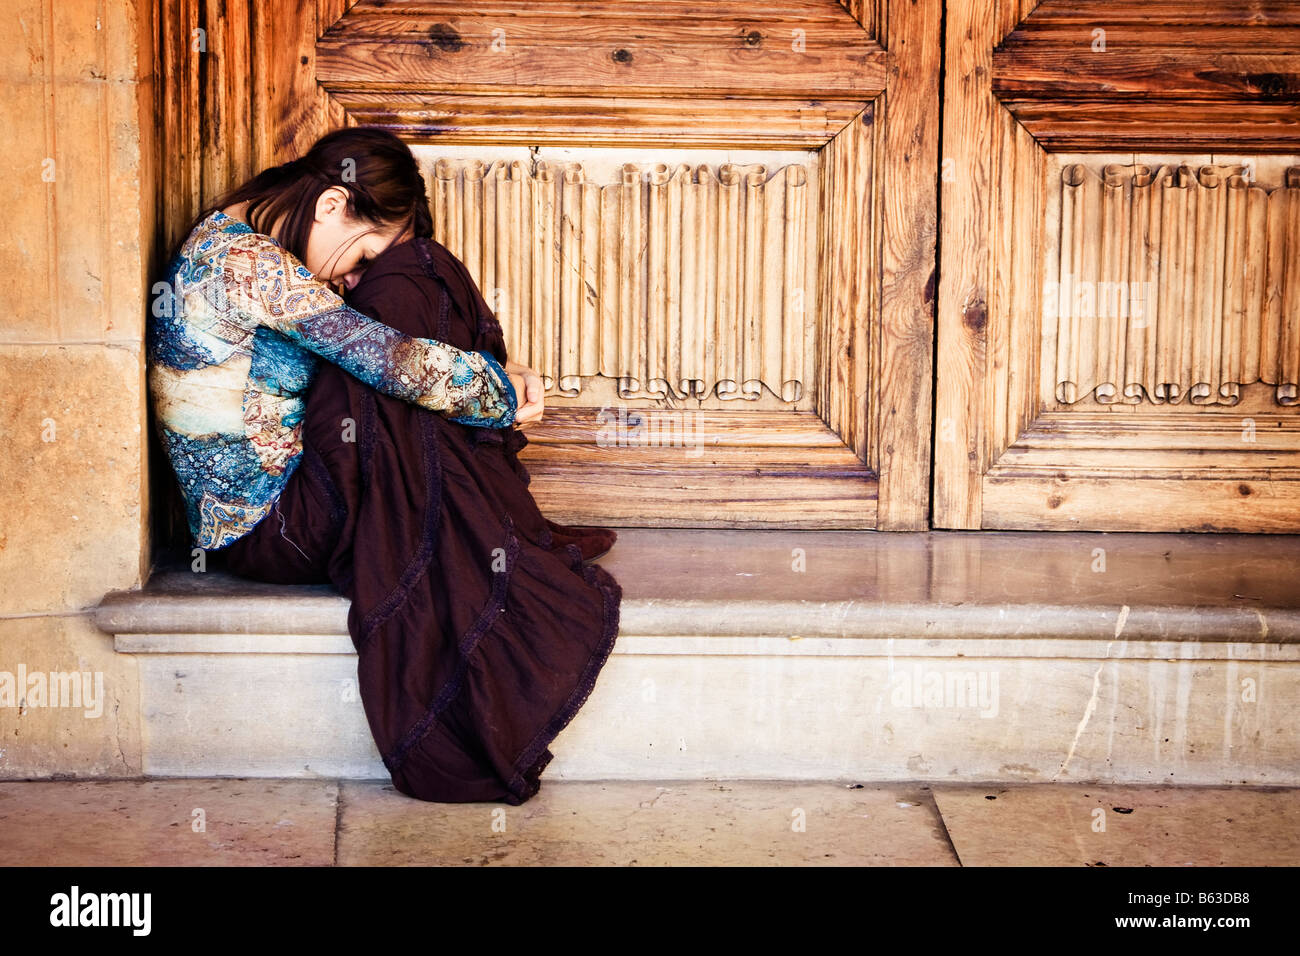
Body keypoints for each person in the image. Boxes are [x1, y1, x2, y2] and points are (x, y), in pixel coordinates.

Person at [148, 126, 621, 804]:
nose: (352, 273)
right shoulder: (247, 266)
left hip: (267, 522)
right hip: (272, 528)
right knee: (417, 273)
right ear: (332, 204)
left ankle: (488, 520)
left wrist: (481, 380)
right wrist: (499, 392)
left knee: (402, 305)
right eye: (363, 249)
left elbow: (382, 357)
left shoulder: (232, 245)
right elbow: (389, 359)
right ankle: (492, 521)